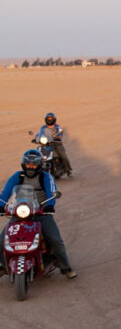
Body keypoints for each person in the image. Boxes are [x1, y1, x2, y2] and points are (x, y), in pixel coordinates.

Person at [0, 149, 77, 279]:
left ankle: (65, 267)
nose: (30, 167)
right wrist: (1, 205)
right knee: (2, 240)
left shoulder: (45, 177)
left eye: (33, 164)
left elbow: (52, 191)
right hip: (20, 214)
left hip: (41, 213)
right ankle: (3, 265)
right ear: (23, 164)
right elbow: (6, 193)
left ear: (39, 165)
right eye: (28, 164)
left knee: (55, 239)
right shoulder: (17, 177)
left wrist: (49, 206)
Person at [34, 112, 73, 176]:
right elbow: (39, 134)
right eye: (48, 119)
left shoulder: (57, 127)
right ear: (45, 120)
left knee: (63, 156)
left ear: (54, 120)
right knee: (37, 154)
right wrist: (36, 138)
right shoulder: (43, 128)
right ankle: (36, 169)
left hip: (56, 144)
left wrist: (58, 138)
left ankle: (68, 170)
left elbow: (60, 133)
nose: (49, 120)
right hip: (45, 144)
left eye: (51, 119)